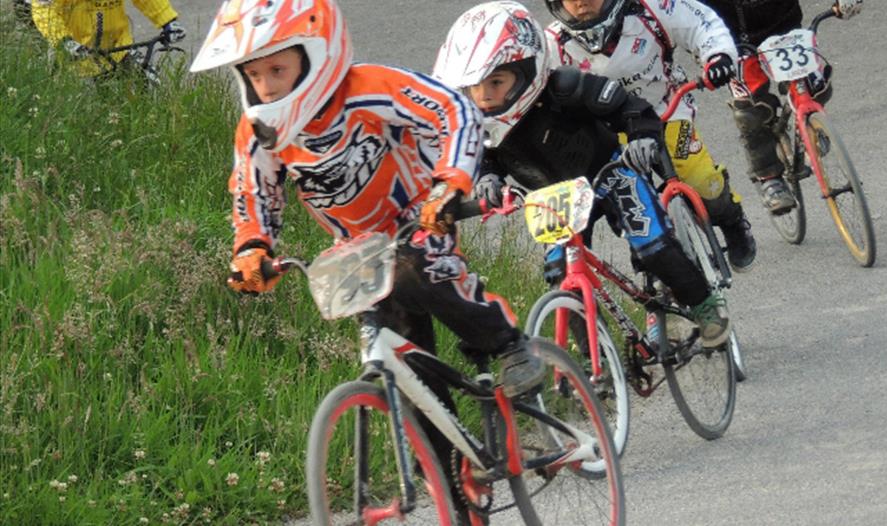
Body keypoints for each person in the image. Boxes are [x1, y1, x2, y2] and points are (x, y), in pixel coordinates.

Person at [190, 1, 543, 523]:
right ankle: (455, 492)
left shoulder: (366, 88)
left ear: (317, 55)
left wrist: (451, 183)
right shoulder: (259, 130)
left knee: (421, 269)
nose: (265, 86)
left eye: (278, 69)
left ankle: (507, 344)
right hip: (357, 250)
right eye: (254, 73)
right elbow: (253, 189)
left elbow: (454, 110)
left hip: (421, 220)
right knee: (409, 378)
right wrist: (252, 248)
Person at [433, 1, 730, 349]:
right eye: (473, 89)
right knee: (560, 277)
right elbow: (484, 158)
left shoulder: (566, 87)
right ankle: (595, 363)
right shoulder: (483, 127)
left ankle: (704, 305)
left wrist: (641, 138)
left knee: (653, 246)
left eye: (496, 82)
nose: (484, 98)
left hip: (611, 174)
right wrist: (488, 178)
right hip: (556, 200)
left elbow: (630, 108)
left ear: (527, 68)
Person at [542, 0, 757, 271]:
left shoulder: (651, 8)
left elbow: (702, 24)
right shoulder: (551, 44)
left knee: (703, 181)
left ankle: (731, 220)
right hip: (610, 132)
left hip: (666, 111)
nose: (581, 2)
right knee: (633, 205)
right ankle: (654, 269)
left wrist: (718, 57)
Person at [700, 0, 864, 215]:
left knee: (818, 86)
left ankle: (808, 125)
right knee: (750, 110)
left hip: (785, 27)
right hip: (730, 43)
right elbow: (687, 11)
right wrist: (704, 46)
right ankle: (769, 178)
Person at [31, 0, 186, 74]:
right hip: (77, 57)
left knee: (143, 83)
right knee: (86, 111)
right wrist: (63, 40)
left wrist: (168, 22)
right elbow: (44, 11)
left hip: (119, 48)